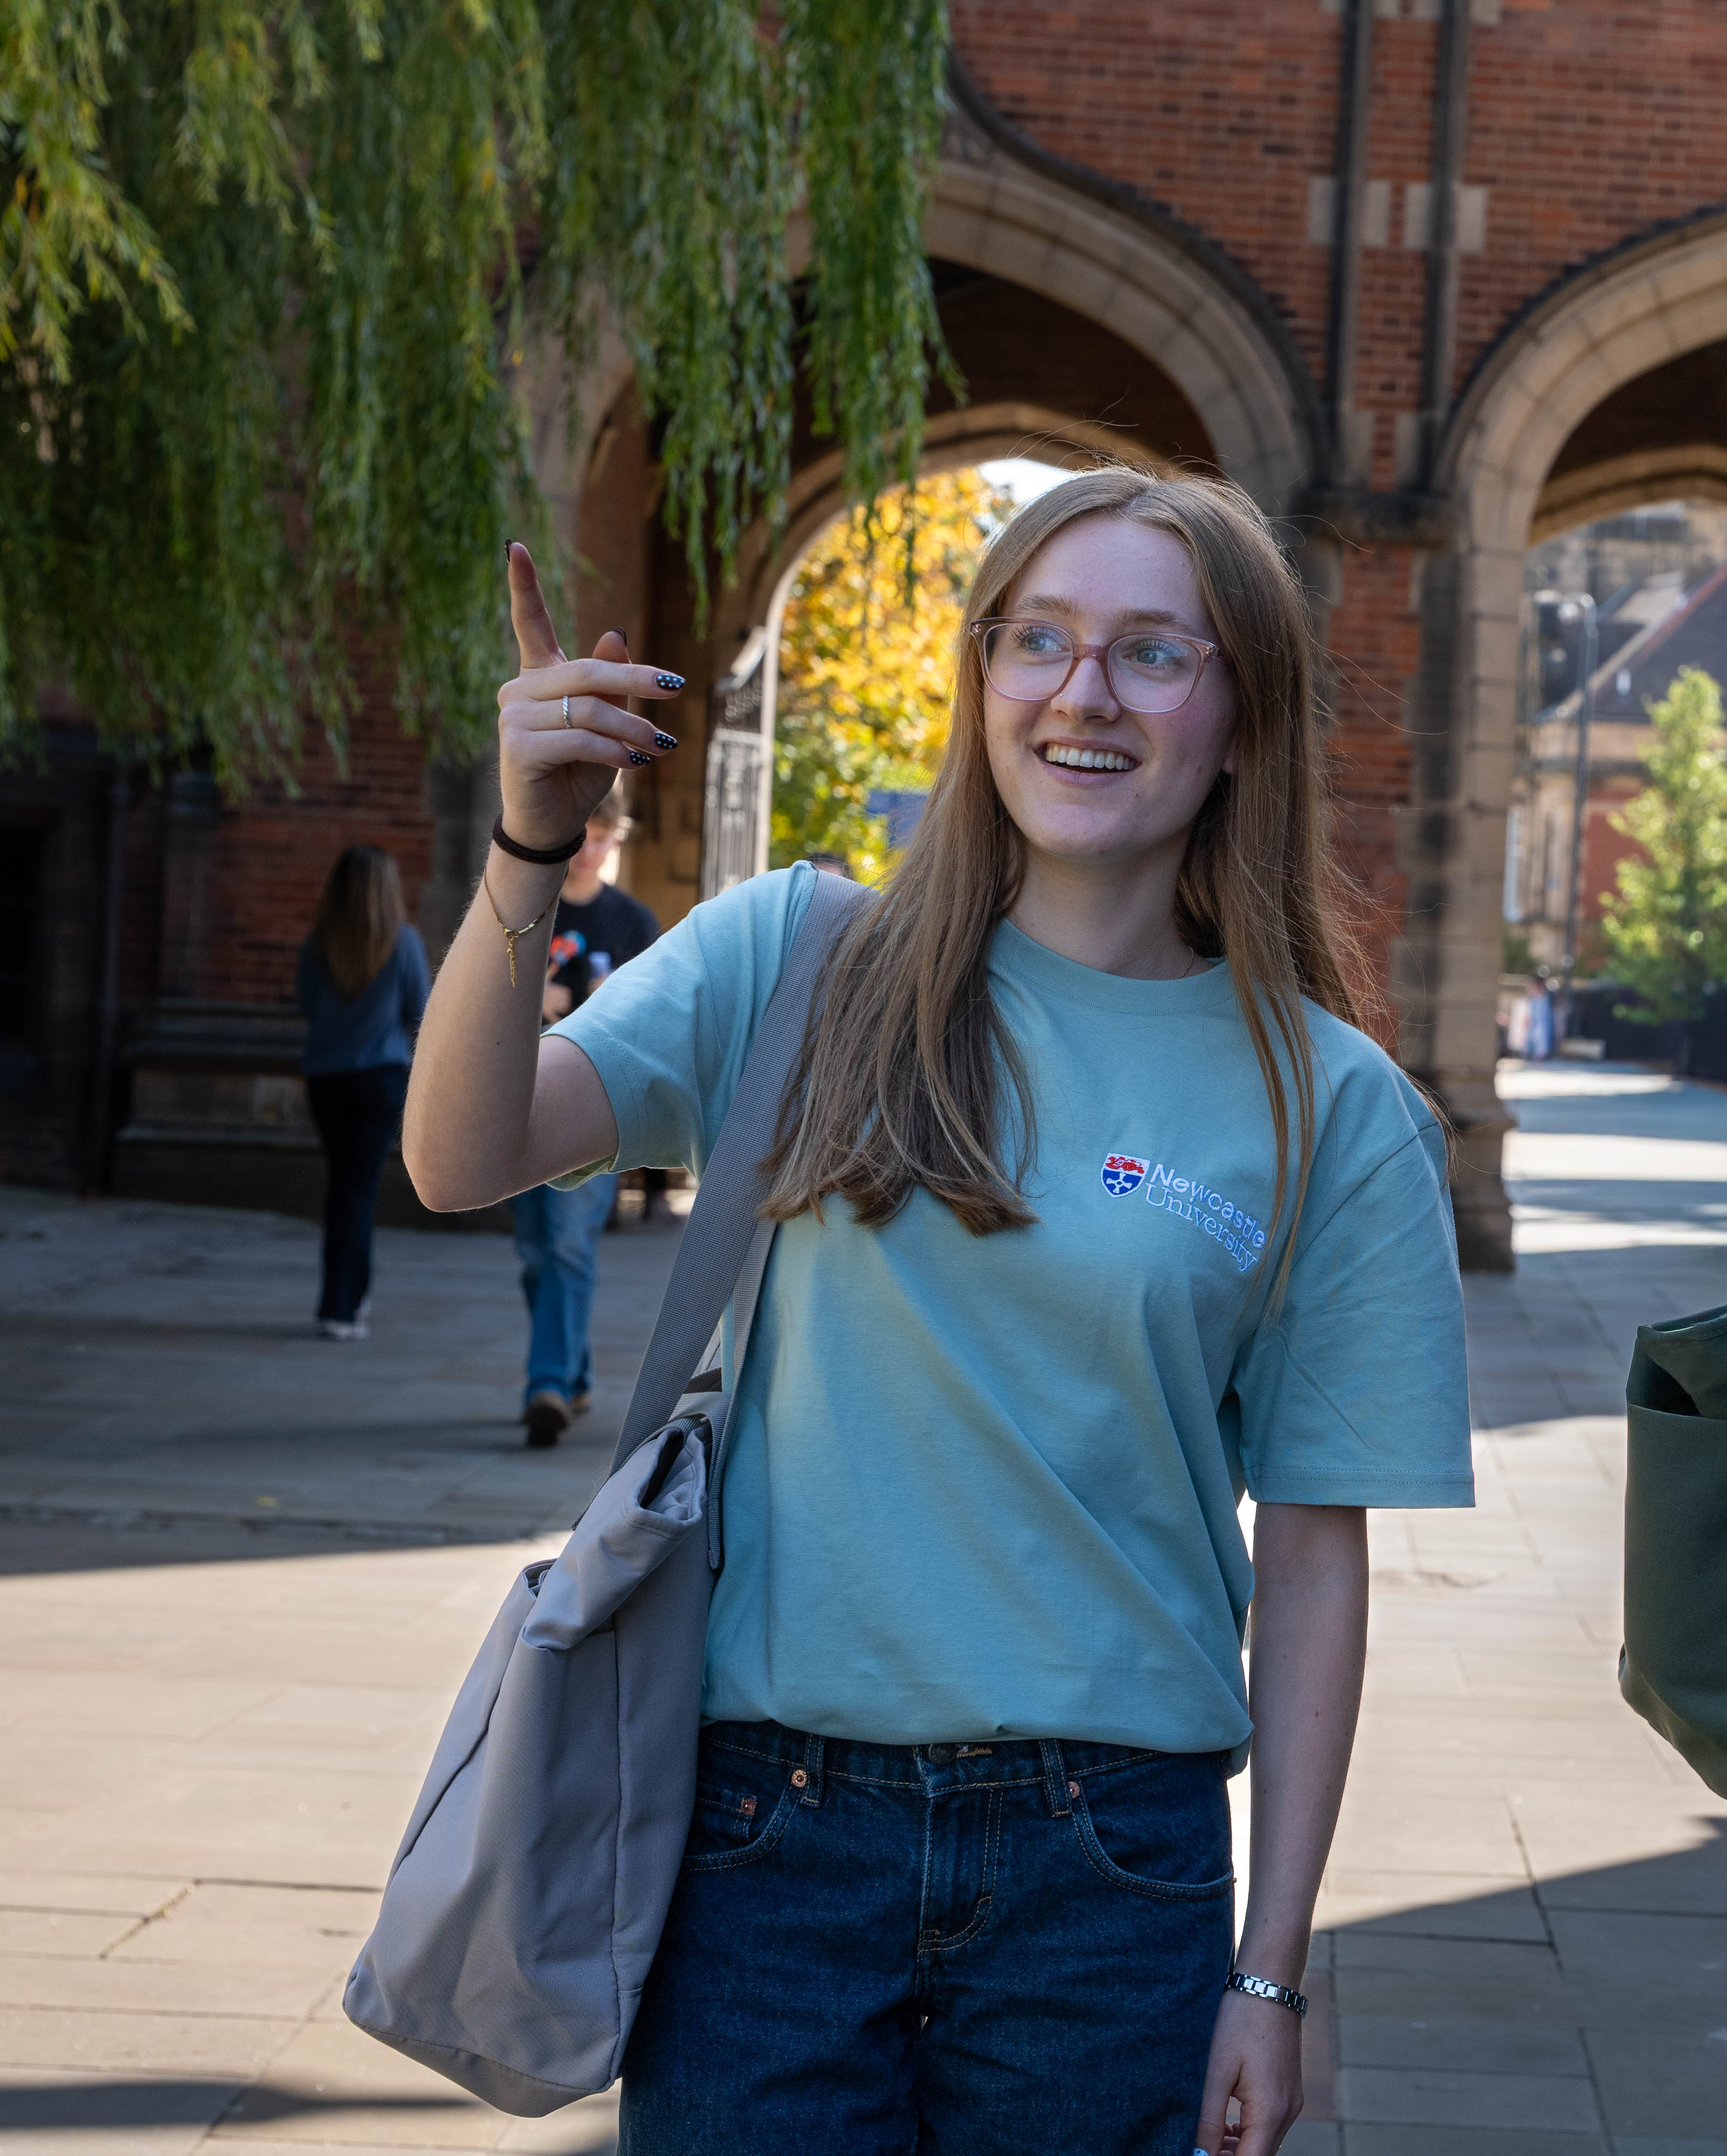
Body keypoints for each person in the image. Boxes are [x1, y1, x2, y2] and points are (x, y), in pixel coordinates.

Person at [401, 466, 1471, 2155]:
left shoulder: (1329, 1106)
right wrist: (531, 844)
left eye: (1148, 653)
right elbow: (461, 1153)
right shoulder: (803, 959)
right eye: (1033, 640)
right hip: (766, 1835)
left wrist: (1272, 1971)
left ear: (1242, 714)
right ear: (978, 684)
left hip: (1108, 1870)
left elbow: (1320, 1549)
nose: (1079, 691)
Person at [506, 792, 659, 1447]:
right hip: (517, 1098)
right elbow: (476, 993)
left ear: (616, 841)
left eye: (601, 837)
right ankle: (573, 1371)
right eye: (581, 835)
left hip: (596, 1104)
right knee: (537, 1252)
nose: (588, 849)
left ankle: (545, 1384)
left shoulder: (633, 923)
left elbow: (660, 1019)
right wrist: (529, 994)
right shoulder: (526, 907)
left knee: (570, 1241)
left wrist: (612, 1002)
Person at [297, 845, 430, 1342]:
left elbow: (307, 1007)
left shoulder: (318, 944)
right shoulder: (404, 943)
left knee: (343, 1189)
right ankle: (343, 1304)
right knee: (358, 1192)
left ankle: (348, 1295)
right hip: (382, 1079)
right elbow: (424, 1013)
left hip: (326, 1078)